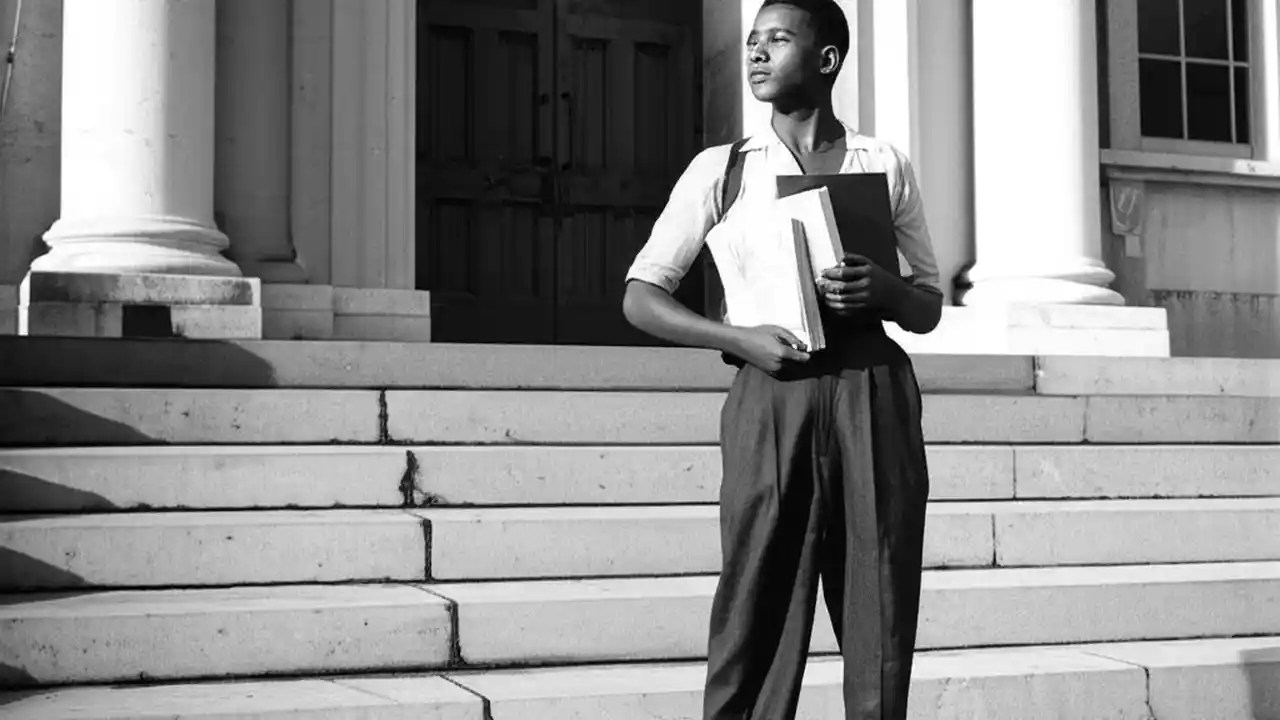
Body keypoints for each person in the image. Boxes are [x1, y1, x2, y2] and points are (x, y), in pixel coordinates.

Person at [620, 1, 943, 718]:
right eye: (753, 41)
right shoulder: (722, 169)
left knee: (880, 592)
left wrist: (885, 289)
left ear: (826, 60)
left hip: (871, 391)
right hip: (772, 394)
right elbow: (642, 296)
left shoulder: (882, 162)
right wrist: (737, 338)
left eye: (779, 39)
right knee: (757, 594)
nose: (757, 53)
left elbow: (928, 304)